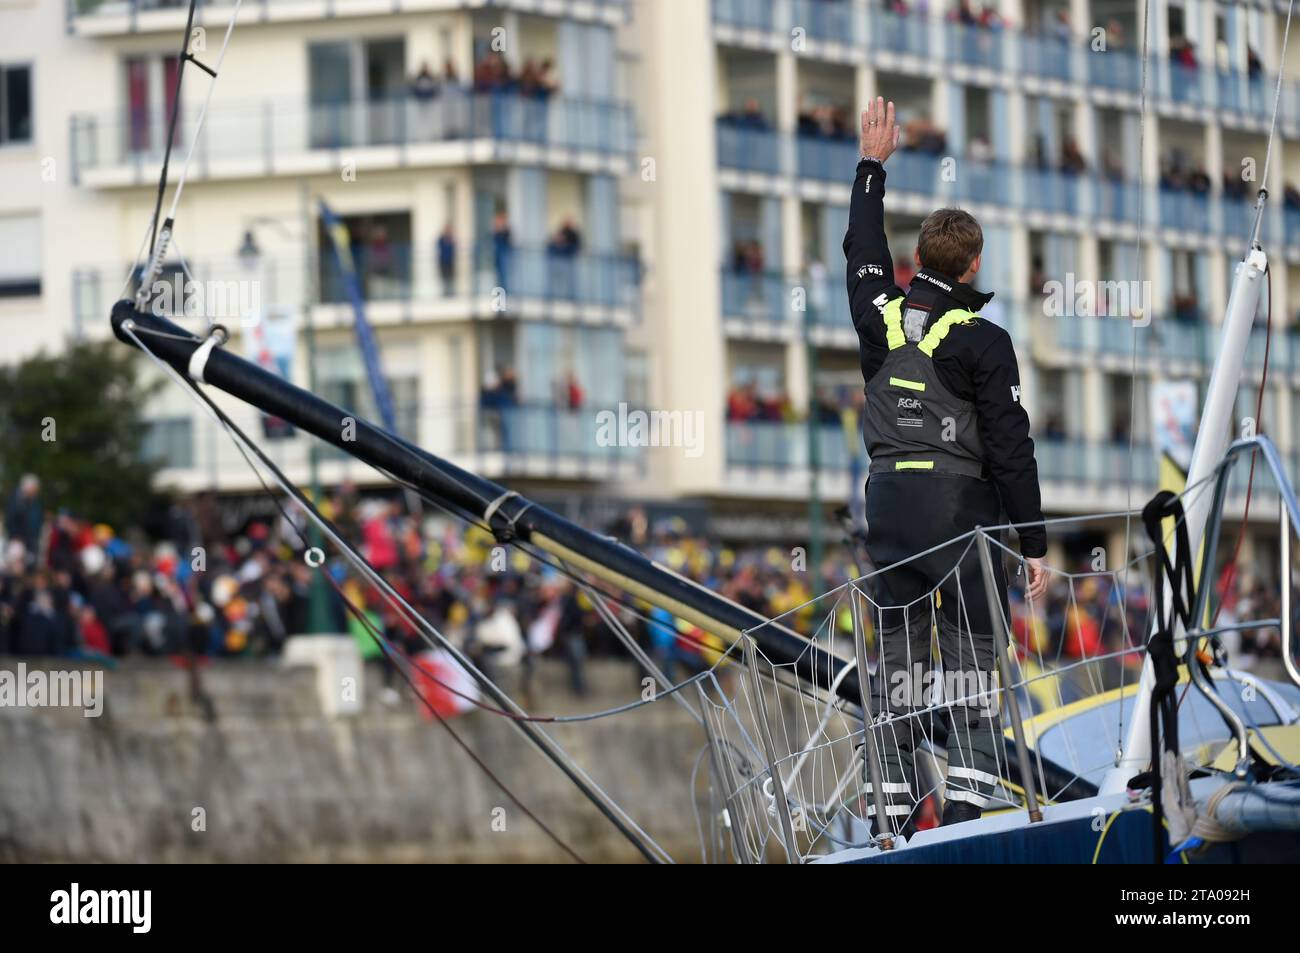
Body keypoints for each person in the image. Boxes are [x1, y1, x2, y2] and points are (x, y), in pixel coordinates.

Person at [845, 97, 1049, 828]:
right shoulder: (984, 342)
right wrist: (1033, 540)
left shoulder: (878, 312)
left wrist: (873, 167)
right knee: (968, 647)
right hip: (959, 516)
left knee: (898, 650)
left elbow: (861, 250)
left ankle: (890, 801)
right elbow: (1009, 445)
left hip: (888, 510)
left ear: (919, 263)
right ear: (972, 266)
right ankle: (967, 795)